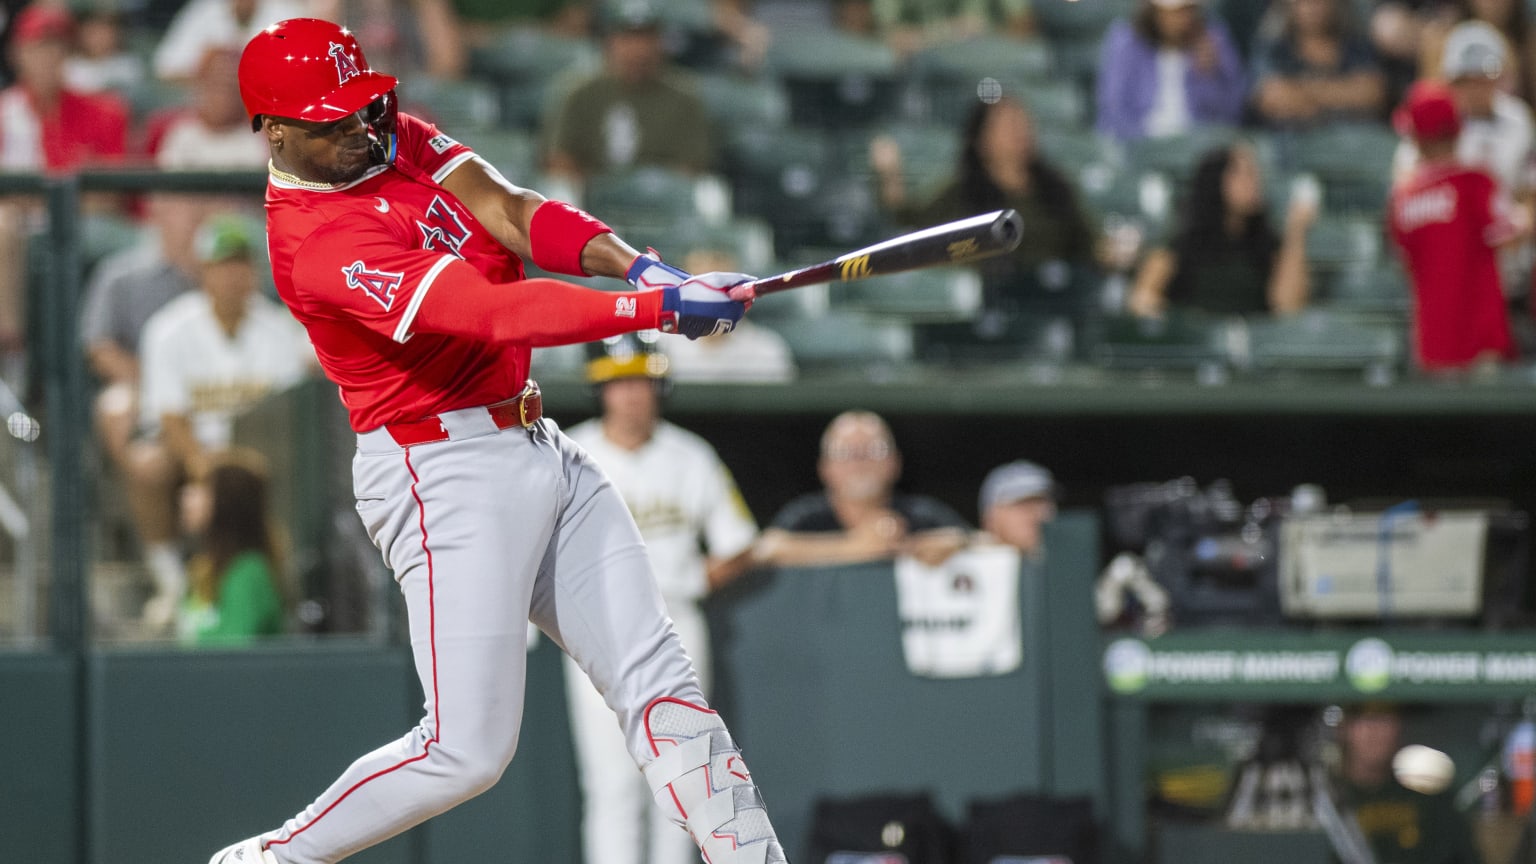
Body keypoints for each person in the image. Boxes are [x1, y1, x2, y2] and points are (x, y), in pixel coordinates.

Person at [209, 17, 784, 864]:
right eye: (334, 122)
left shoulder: (388, 137)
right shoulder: (318, 242)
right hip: (440, 470)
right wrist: (656, 311)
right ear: (274, 130)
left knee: (662, 685)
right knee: (465, 752)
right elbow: (491, 311)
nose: (363, 129)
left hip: (533, 438)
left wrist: (642, 268)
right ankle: (269, 860)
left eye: (366, 107)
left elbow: (513, 212)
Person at [563, 333, 760, 864]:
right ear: (600, 389)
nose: (632, 395)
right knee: (611, 784)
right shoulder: (568, 455)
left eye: (642, 382)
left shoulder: (690, 455)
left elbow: (739, 542)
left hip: (675, 622)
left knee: (683, 783)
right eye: (619, 383)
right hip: (597, 632)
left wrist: (693, 578)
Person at [135, 212, 315, 632]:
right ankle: (169, 579)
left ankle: (292, 578)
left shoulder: (279, 328)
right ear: (204, 271)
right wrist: (207, 470)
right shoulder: (169, 329)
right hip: (195, 453)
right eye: (224, 265)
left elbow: (289, 410)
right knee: (148, 464)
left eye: (242, 264)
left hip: (263, 454)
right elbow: (169, 415)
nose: (235, 275)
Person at [869, 94, 1098, 321]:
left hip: (1053, 298)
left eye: (1022, 123)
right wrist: (890, 175)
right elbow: (910, 221)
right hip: (989, 301)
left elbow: (1087, 241)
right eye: (1007, 125)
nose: (1018, 132)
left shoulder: (1056, 189)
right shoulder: (961, 192)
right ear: (982, 138)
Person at [1388, 79, 1529, 372]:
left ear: (1417, 138)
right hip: (1482, 343)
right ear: (1457, 131)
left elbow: (1403, 263)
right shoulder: (1476, 183)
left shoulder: (1403, 197)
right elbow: (1511, 238)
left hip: (1431, 345)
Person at [1392, 20, 1536, 306]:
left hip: (1509, 260)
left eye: (1484, 77)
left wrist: (1523, 219)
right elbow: (1404, 195)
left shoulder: (1518, 119)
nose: (1476, 88)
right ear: (1449, 79)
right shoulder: (1428, 123)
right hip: (1450, 266)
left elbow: (1529, 188)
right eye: (1466, 79)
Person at [753, 410, 971, 568]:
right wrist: (855, 546)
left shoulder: (922, 514)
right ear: (825, 468)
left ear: (895, 463)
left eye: (873, 451)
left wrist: (957, 543)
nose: (859, 464)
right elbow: (766, 549)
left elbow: (982, 541)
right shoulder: (807, 515)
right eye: (845, 453)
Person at [1128, 140, 1317, 319]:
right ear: (1215, 181)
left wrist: (1296, 232)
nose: (1254, 182)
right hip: (1199, 345)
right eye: (1244, 173)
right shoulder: (1182, 242)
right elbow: (1142, 298)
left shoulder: (1267, 243)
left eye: (1255, 173)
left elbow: (1288, 307)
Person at [541, 1, 714, 181]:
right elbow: (559, 162)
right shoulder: (578, 91)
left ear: (661, 42)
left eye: (646, 37)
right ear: (609, 41)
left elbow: (692, 169)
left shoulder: (685, 96)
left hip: (657, 197)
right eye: (627, 37)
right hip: (590, 199)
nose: (638, 49)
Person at [1332, 702, 1482, 864]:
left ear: (1399, 726)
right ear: (1343, 729)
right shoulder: (1323, 798)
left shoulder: (1431, 798)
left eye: (1384, 719)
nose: (1374, 731)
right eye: (1363, 719)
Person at [177, 447, 289, 646]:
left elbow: (234, 654)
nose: (187, 497)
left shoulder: (249, 572)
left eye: (201, 488)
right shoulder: (204, 569)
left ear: (226, 502)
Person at [1095, 0, 1248, 141]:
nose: (1183, 18)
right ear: (1154, 11)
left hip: (1197, 144)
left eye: (1188, 10)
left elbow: (1231, 113)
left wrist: (1209, 75)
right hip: (1140, 144)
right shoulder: (1126, 41)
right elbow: (1114, 109)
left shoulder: (1213, 38)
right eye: (1176, 11)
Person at [1249, 0, 1388, 129]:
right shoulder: (1274, 47)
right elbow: (1272, 96)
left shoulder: (1354, 43)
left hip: (1354, 137)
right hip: (1293, 140)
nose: (1313, 6)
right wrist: (1343, 92)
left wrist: (1302, 92)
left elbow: (1372, 92)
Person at [153, 0, 308, 82]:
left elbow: (305, 71)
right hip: (210, 114)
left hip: (269, 111)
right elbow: (164, 67)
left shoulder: (286, 11)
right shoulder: (204, 10)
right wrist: (205, 65)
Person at [976, 459, 1057, 558]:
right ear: (990, 517)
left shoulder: (1071, 561)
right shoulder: (967, 566)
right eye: (1022, 504)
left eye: (1041, 502)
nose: (1036, 513)